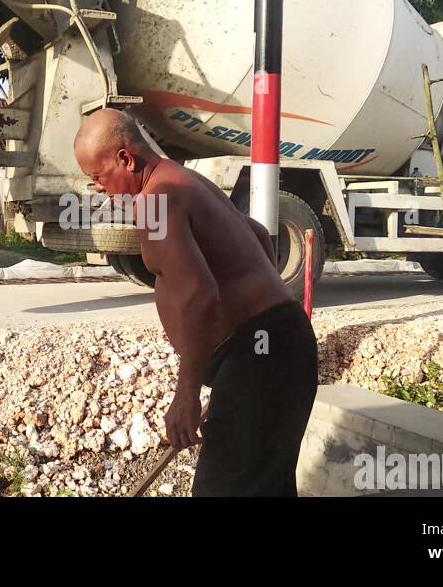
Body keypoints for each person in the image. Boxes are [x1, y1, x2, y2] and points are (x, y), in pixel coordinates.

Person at [73, 109, 318, 496]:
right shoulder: (184, 180)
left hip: (261, 357)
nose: (98, 188)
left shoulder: (156, 201)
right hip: (274, 350)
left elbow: (198, 293)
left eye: (98, 176)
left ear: (125, 158)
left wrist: (186, 394)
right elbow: (256, 235)